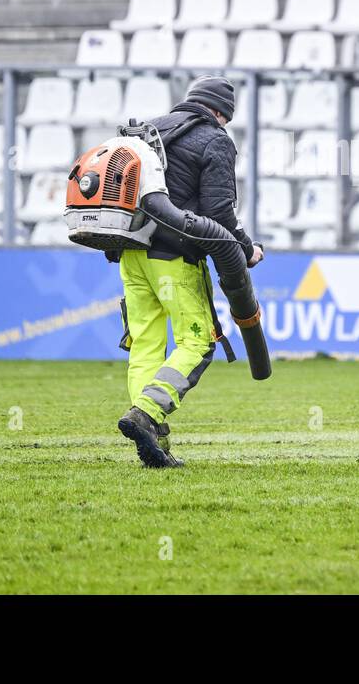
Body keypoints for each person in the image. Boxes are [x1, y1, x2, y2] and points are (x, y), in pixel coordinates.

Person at [115, 76, 264, 468]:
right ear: (221, 114)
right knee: (197, 343)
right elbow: (218, 214)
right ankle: (146, 414)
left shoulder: (155, 129)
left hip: (132, 254)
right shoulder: (215, 139)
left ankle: (154, 445)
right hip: (174, 259)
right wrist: (247, 249)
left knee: (146, 347)